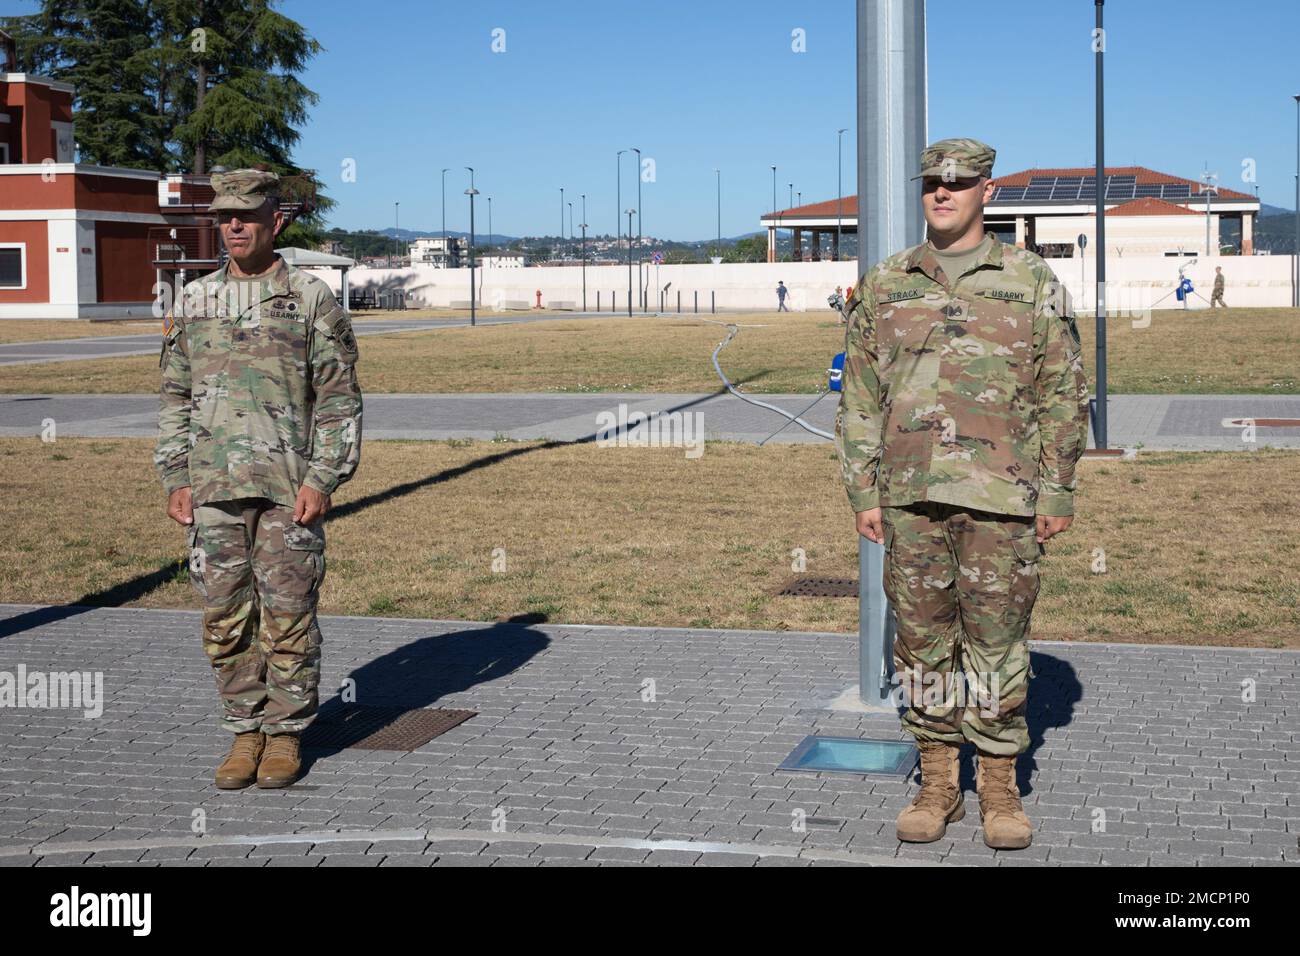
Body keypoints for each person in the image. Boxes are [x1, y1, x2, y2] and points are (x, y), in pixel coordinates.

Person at [835, 138, 1089, 850]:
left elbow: (1063, 392)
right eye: (932, 184)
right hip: (911, 496)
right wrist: (863, 489)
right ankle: (939, 780)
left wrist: (1058, 491)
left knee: (998, 644)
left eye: (959, 182)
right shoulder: (887, 282)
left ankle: (1000, 789)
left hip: (1002, 498)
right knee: (920, 646)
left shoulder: (1029, 279)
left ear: (988, 190)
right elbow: (859, 394)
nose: (942, 194)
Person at [155, 169, 363, 789]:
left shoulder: (309, 297)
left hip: (286, 486)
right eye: (224, 217)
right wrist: (174, 475)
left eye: (247, 216)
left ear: (276, 222)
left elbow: (338, 399)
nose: (234, 226)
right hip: (213, 488)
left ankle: (285, 735)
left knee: (288, 613)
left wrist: (324, 478)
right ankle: (244, 729)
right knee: (223, 616)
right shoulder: (193, 300)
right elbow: (174, 395)